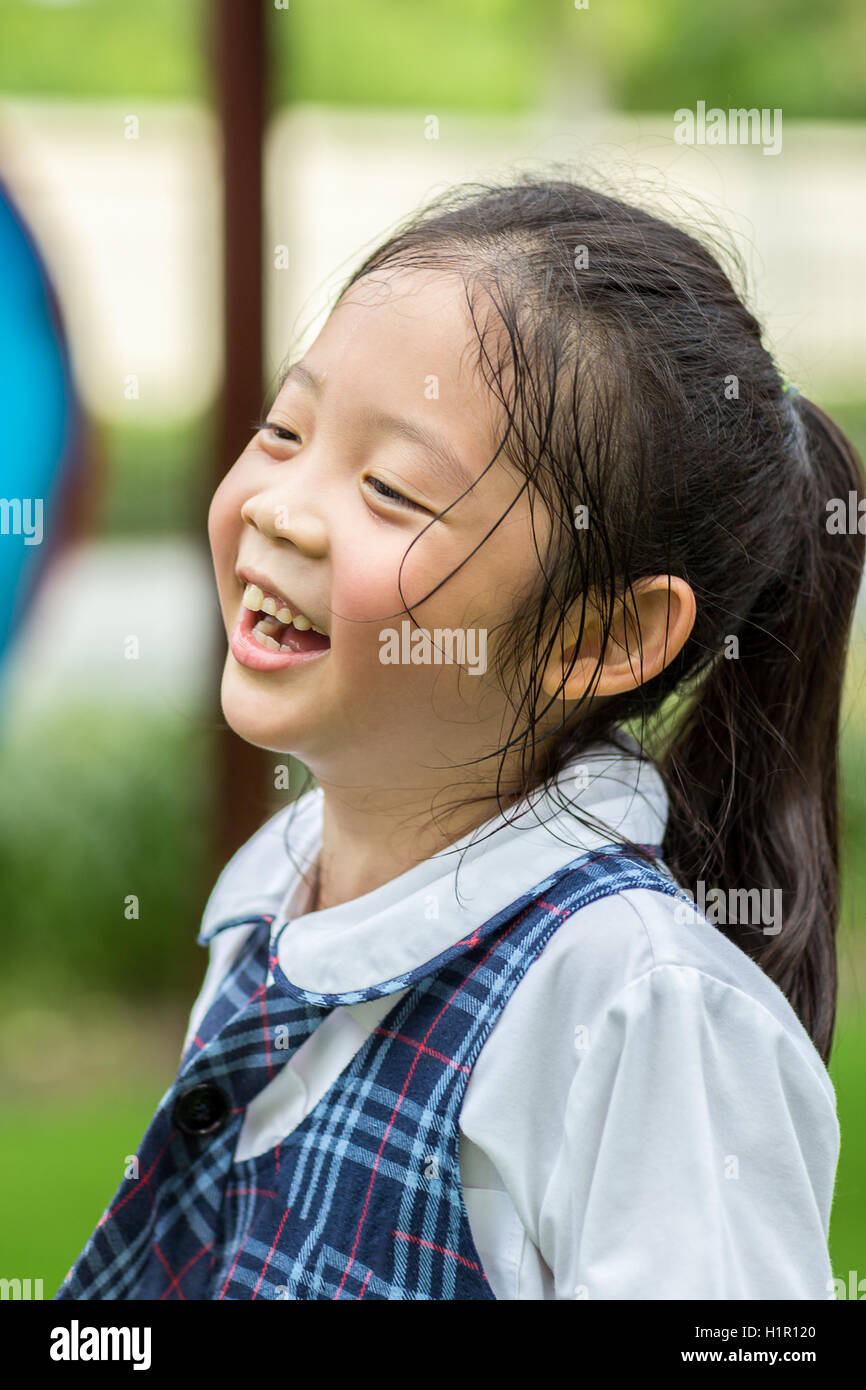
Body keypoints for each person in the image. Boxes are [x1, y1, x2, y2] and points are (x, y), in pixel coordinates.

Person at [56, 175, 864, 1300]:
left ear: (601, 636)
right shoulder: (272, 898)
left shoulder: (632, 1007)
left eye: (389, 488)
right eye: (282, 429)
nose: (282, 504)